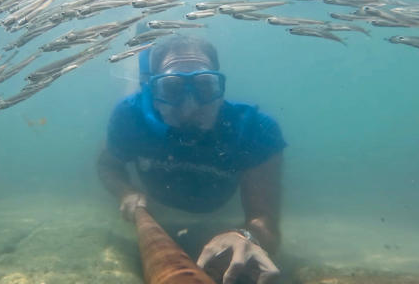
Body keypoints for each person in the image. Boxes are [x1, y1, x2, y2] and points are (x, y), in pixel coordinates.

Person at [97, 34, 287, 284]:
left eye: (205, 86)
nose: (189, 108)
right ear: (152, 92)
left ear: (221, 90)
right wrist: (126, 192)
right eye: (171, 88)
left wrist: (247, 237)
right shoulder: (131, 117)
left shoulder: (255, 129)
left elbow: (265, 220)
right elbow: (108, 165)